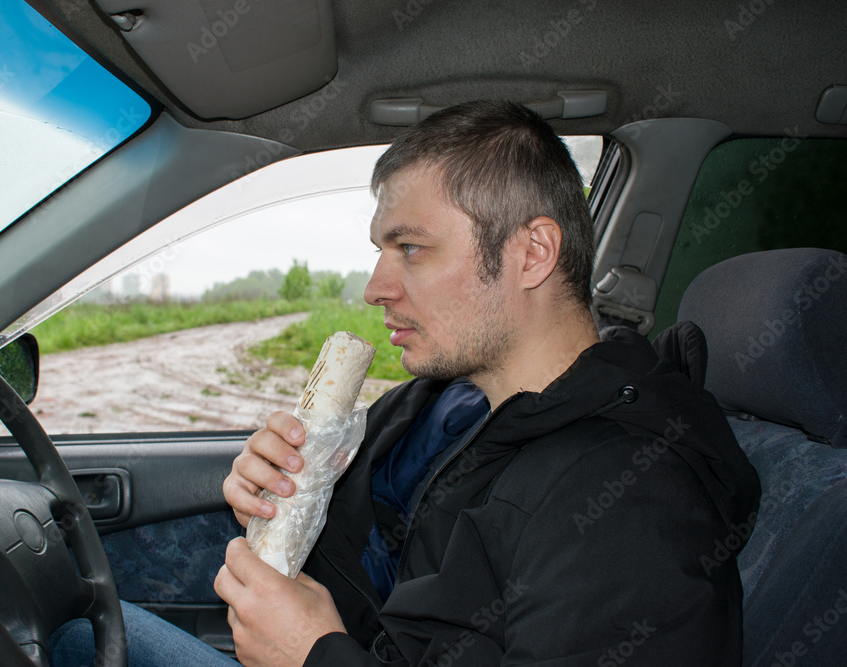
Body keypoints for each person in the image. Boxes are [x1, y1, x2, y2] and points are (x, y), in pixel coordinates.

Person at [50, 100, 760, 666]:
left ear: (533, 252)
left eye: (411, 249)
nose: (373, 288)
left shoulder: (628, 497)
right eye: (380, 251)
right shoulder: (447, 405)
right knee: (83, 636)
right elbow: (373, 576)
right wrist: (281, 501)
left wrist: (316, 654)